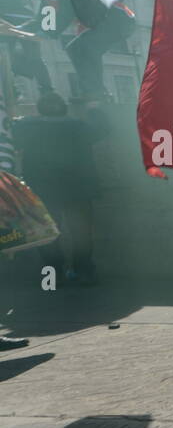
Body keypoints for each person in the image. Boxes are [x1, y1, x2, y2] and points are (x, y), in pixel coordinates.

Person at [11, 93, 108, 286]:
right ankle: (84, 272)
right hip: (78, 189)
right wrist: (94, 107)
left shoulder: (26, 127)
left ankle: (52, 277)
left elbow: (10, 138)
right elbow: (103, 129)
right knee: (81, 234)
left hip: (42, 190)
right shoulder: (78, 126)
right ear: (65, 108)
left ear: (39, 109)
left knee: (46, 235)